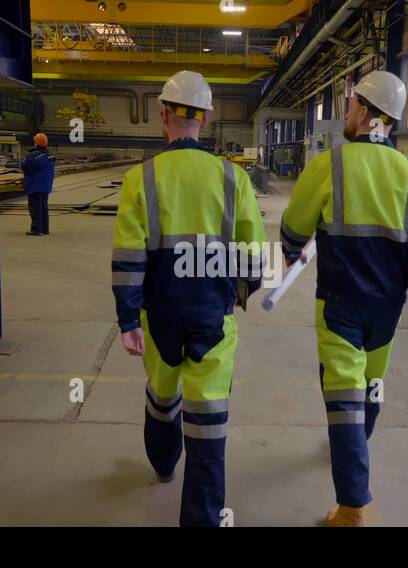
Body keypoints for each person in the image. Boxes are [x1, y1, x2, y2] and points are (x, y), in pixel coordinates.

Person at [280, 70, 408, 527]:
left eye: (350, 105)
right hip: (388, 307)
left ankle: (353, 506)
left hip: (339, 303)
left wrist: (293, 252)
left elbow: (293, 228)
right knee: (372, 382)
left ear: (367, 111)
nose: (347, 114)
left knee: (343, 398)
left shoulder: (329, 166)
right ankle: (358, 440)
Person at [111, 70, 267, 526]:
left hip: (158, 314)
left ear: (163, 116)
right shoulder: (232, 178)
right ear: (205, 119)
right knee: (209, 423)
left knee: (162, 397)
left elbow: (127, 260)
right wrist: (236, 293)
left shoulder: (140, 179)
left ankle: (162, 464)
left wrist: (128, 320)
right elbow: (256, 258)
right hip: (212, 318)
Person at [21, 133, 56, 236]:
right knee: (43, 206)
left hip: (35, 185)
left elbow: (26, 167)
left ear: (36, 143)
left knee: (35, 208)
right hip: (46, 185)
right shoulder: (50, 155)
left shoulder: (34, 155)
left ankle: (36, 229)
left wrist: (22, 162)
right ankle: (45, 229)